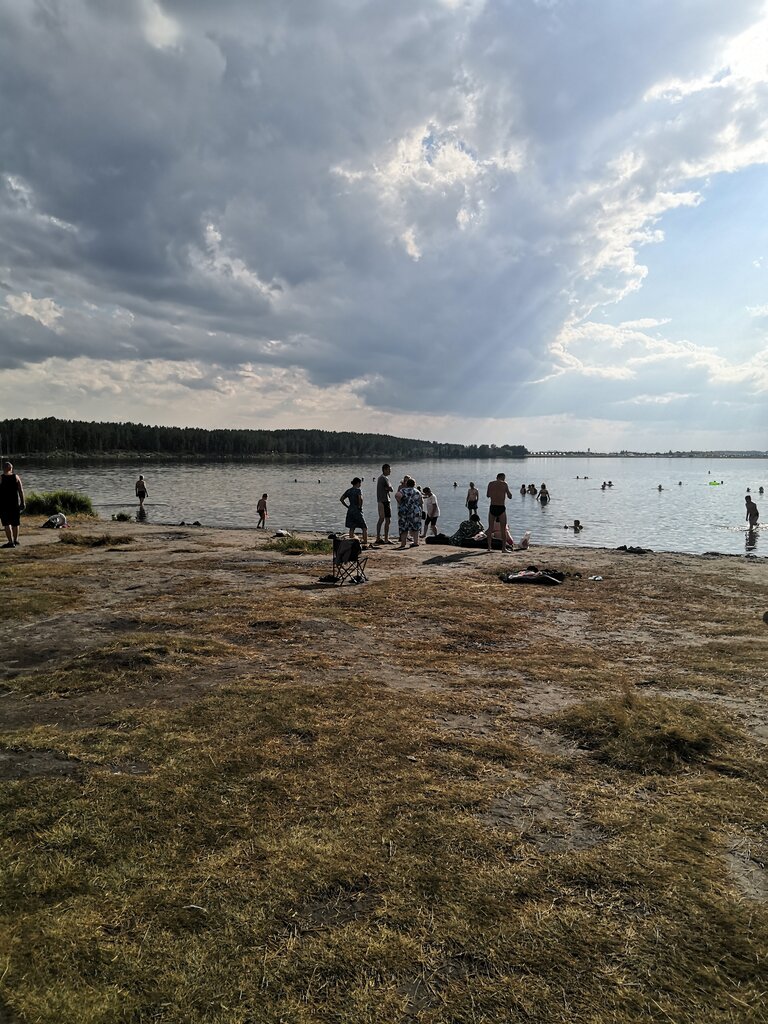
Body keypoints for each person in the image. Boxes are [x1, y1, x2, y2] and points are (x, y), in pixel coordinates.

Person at [486, 473, 513, 553]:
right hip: (501, 507)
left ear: (496, 477)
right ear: (502, 477)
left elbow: (488, 495)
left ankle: (489, 547)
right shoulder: (504, 484)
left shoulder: (490, 484)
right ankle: (503, 548)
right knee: (503, 529)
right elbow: (510, 496)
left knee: (490, 528)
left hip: (493, 506)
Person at [0, 461, 24, 548]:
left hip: (4, 504)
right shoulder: (16, 477)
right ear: (11, 468)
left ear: (3, 468)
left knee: (6, 523)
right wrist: (23, 502)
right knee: (15, 523)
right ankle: (15, 540)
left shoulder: (1, 478)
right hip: (14, 503)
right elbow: (21, 491)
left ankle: (10, 542)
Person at [340, 477, 368, 546]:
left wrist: (347, 506)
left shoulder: (349, 491)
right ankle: (365, 541)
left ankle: (351, 541)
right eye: (360, 483)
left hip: (350, 510)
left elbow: (341, 499)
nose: (360, 485)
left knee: (352, 527)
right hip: (357, 510)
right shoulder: (358, 490)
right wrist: (360, 506)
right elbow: (360, 499)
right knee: (364, 527)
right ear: (358, 483)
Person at [395, 477, 422, 548]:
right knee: (415, 526)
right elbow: (421, 501)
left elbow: (397, 495)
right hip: (415, 511)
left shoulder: (403, 490)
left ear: (407, 484)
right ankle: (416, 542)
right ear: (414, 484)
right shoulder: (417, 491)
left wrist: (400, 502)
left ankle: (403, 543)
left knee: (404, 527)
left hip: (405, 510)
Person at [375, 463, 394, 544]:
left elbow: (389, 488)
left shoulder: (382, 478)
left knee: (383, 519)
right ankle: (384, 538)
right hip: (384, 501)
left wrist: (388, 488)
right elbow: (391, 489)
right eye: (389, 469)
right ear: (385, 470)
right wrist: (389, 488)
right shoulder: (383, 478)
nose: (390, 471)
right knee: (386, 519)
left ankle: (380, 538)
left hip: (382, 501)